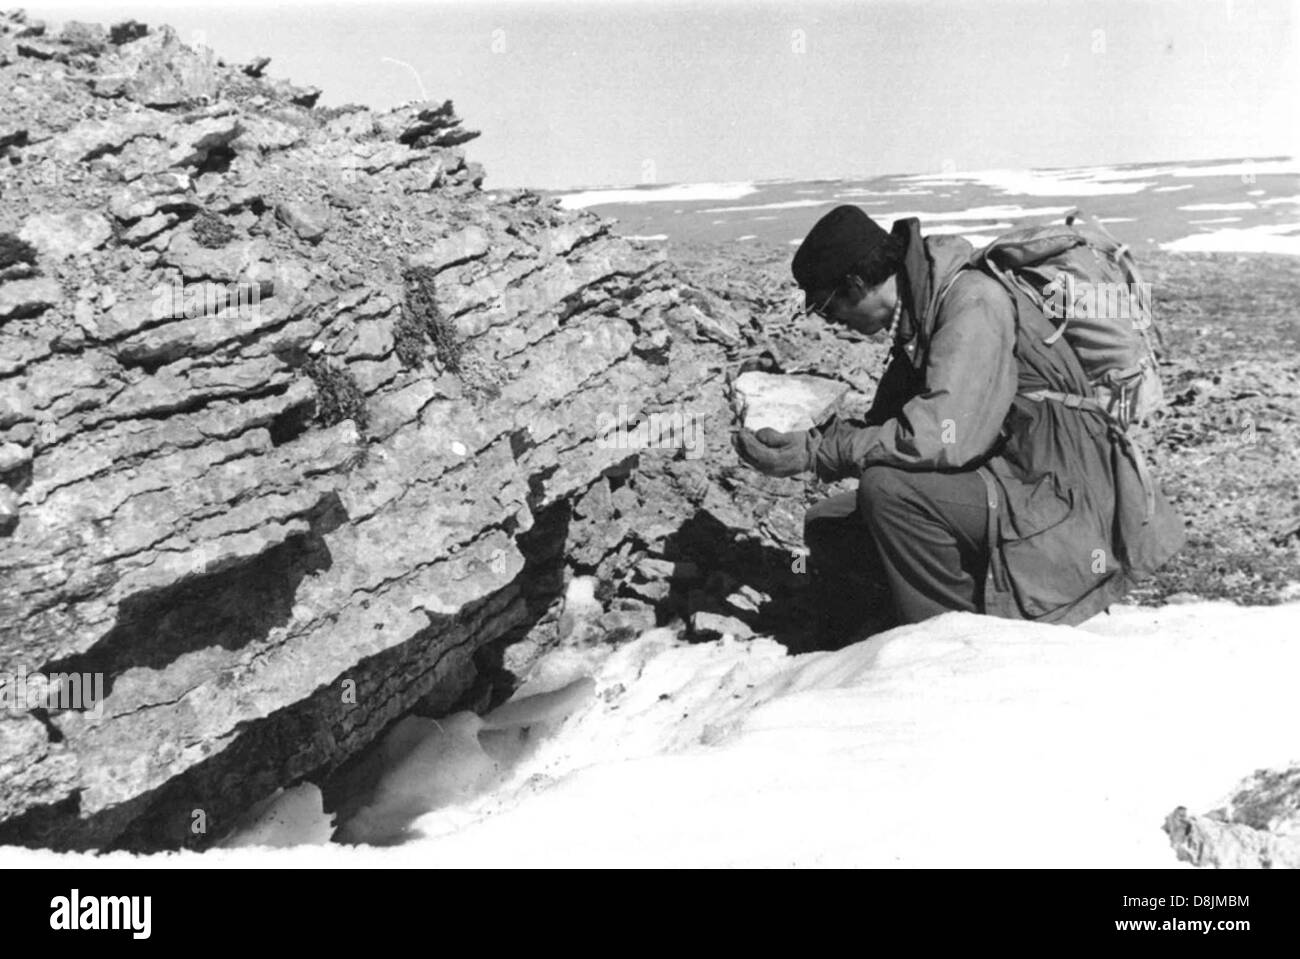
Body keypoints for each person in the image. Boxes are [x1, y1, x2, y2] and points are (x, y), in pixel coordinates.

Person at [733, 205, 1185, 647]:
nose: (834, 324)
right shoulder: (923, 308)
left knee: (889, 492)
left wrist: (818, 453)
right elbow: (893, 424)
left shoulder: (971, 301)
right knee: (830, 524)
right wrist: (811, 443)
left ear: (856, 284)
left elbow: (945, 436)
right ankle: (856, 654)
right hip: (1011, 475)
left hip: (1052, 487)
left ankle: (950, 654)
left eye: (830, 309)